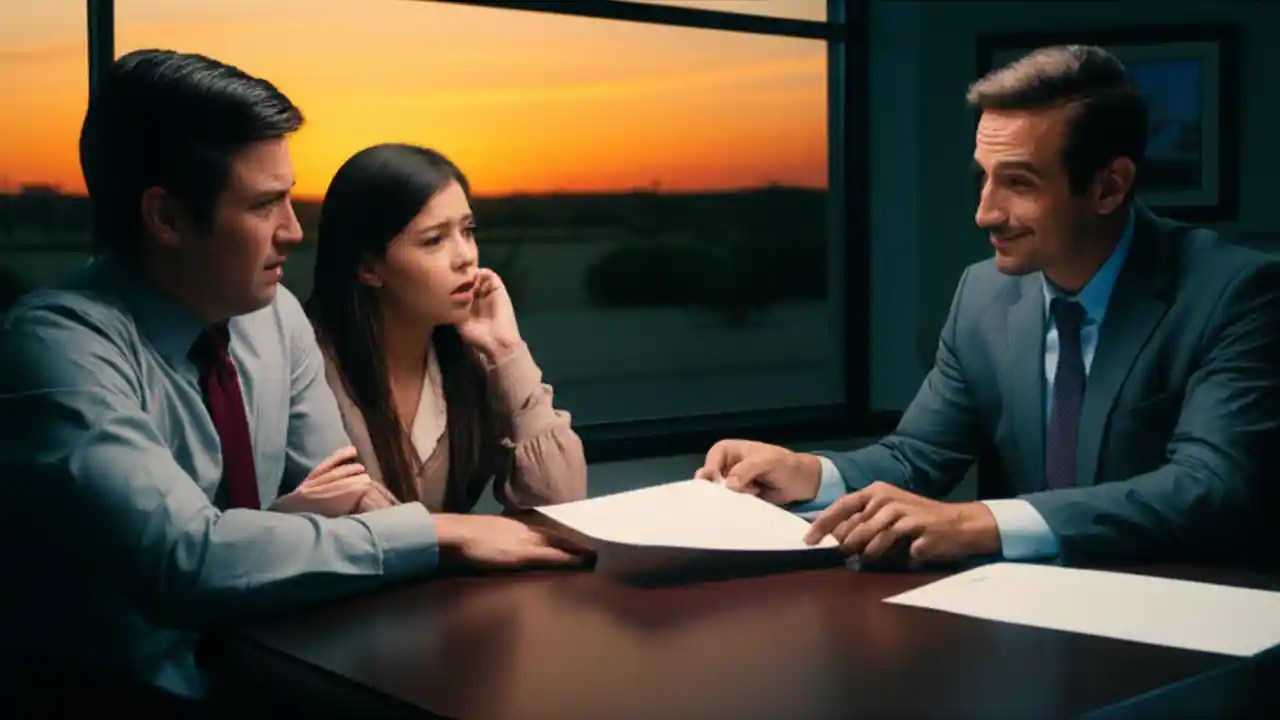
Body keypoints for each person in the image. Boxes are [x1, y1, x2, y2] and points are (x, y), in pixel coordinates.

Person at [0, 49, 585, 710]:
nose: (294, 230)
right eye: (263, 205)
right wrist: (443, 532)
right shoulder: (55, 347)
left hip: (274, 667)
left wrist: (269, 532)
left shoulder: (271, 316)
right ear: (166, 218)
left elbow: (354, 499)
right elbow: (184, 561)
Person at [697, 44, 1280, 568]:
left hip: (1197, 613)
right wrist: (809, 473)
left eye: (1019, 183)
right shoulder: (982, 294)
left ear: (1109, 187)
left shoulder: (1237, 293)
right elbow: (920, 454)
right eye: (984, 179)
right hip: (1025, 620)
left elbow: (1211, 487)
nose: (985, 213)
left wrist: (981, 521)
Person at [302, 143, 587, 515]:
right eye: (434, 240)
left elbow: (563, 503)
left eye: (467, 231)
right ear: (369, 268)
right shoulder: (310, 372)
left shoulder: (472, 364)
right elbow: (358, 525)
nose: (465, 256)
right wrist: (468, 539)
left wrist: (506, 349)